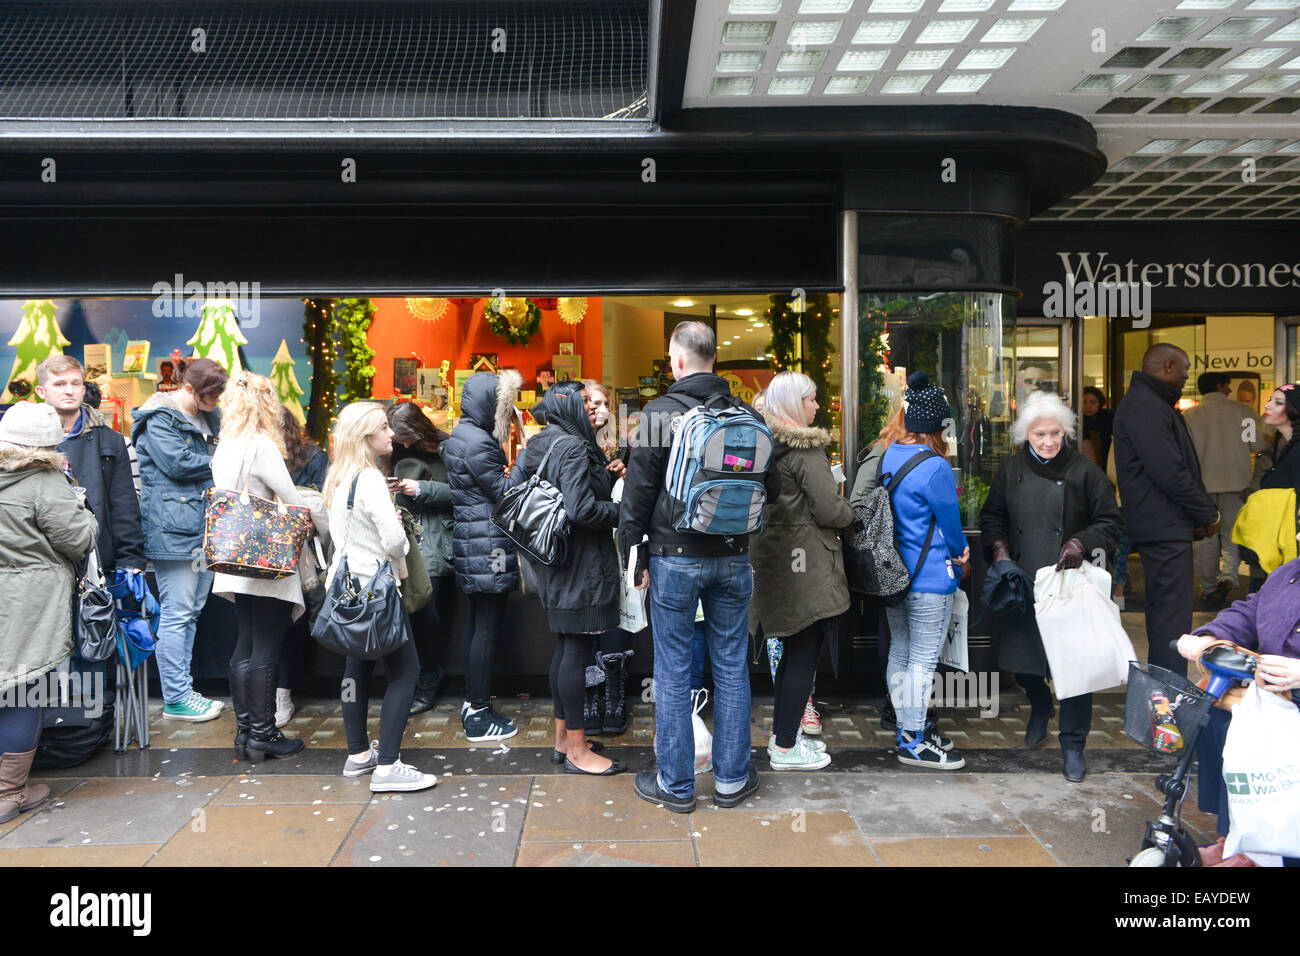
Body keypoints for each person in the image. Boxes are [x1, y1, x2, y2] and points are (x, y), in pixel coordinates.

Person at [619, 320, 780, 812]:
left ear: (679, 360)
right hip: (733, 558)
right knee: (732, 667)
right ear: (714, 359)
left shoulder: (657, 413)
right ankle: (732, 781)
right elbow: (769, 489)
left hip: (675, 558)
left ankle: (677, 786)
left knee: (671, 671)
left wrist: (635, 549)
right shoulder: (748, 415)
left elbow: (638, 493)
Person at [979, 391, 1123, 782]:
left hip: (1069, 583)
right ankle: (1040, 703)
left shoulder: (1084, 471)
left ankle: (1073, 746)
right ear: (1026, 434)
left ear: (1066, 433)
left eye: (1055, 433)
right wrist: (1000, 551)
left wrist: (1082, 542)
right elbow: (992, 516)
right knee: (1024, 662)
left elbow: (1111, 521)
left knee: (1076, 669)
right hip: (1025, 580)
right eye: (1040, 434)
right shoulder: (1010, 470)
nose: (1048, 441)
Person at [210, 372, 329, 762]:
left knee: (243, 641)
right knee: (267, 645)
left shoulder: (225, 446)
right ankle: (265, 734)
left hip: (235, 555)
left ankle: (245, 732)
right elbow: (293, 503)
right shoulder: (261, 446)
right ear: (268, 406)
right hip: (267, 558)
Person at [513, 383, 626, 775]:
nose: (593, 407)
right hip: (580, 564)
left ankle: (563, 740)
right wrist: (619, 511)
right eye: (585, 401)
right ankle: (578, 749)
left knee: (565, 649)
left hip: (554, 562)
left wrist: (606, 479)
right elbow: (580, 510)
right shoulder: (576, 446)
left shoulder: (544, 440)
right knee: (575, 653)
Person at [323, 402, 436, 792]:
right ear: (366, 436)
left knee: (357, 669)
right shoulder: (370, 479)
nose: (392, 434)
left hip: (351, 589)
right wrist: (402, 534)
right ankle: (388, 765)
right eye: (384, 428)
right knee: (407, 671)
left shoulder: (339, 476)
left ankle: (358, 755)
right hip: (378, 590)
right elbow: (393, 541)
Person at [0, 403, 98, 823]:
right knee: (21, 691)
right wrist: (86, 513)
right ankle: (9, 792)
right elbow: (78, 540)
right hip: (28, 601)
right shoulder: (44, 481)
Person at [750, 371, 852, 771]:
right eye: (810, 399)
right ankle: (786, 746)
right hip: (807, 566)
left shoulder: (764, 444)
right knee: (802, 655)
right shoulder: (806, 450)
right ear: (795, 404)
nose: (816, 406)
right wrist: (852, 512)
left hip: (775, 561)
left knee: (792, 651)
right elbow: (829, 509)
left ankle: (783, 741)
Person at [873, 372, 970, 770]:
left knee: (901, 650)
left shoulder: (890, 454)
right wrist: (963, 554)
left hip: (894, 576)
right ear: (938, 427)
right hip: (929, 579)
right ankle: (913, 741)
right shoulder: (936, 468)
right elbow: (952, 529)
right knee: (923, 660)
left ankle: (906, 727)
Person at [1177, 554, 1300, 866]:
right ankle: (1238, 837)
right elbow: (1251, 610)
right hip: (1274, 692)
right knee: (1216, 716)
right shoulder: (1289, 573)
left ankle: (1272, 851)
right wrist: (1209, 635)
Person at [1112, 344, 1220, 678]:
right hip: (1162, 525)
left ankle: (1162, 698)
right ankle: (1166, 701)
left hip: (1162, 523)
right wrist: (1208, 514)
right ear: (1169, 366)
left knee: (1167, 616)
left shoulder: (1149, 403)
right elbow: (1169, 472)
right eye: (1186, 369)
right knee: (1171, 619)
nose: (1188, 376)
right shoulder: (1147, 406)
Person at [132, 357, 229, 721]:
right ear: (187, 388)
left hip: (203, 529)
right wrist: (224, 456)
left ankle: (183, 690)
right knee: (178, 613)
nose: (215, 403)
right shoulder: (159, 418)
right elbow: (178, 463)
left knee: (191, 612)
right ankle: (175, 696)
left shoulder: (208, 417)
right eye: (210, 397)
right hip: (174, 530)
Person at [443, 369, 524, 742]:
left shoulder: (462, 435)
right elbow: (505, 490)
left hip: (474, 543)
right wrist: (524, 456)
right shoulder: (478, 442)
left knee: (477, 625)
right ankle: (478, 712)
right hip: (488, 545)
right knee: (486, 628)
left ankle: (473, 701)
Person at [35, 355, 144, 584]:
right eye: (59, 384)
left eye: (75, 384)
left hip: (98, 560)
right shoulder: (25, 440)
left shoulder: (111, 441)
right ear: (41, 391)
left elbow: (124, 505)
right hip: (40, 562)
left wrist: (130, 560)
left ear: (84, 390)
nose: (69, 391)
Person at [388, 401, 455, 716]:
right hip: (401, 540)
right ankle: (414, 680)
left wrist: (423, 489)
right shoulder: (391, 450)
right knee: (412, 617)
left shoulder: (446, 448)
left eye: (405, 437)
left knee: (427, 616)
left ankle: (428, 680)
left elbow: (464, 493)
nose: (401, 444)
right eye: (396, 438)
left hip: (435, 541)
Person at [272, 406, 330, 726]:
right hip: (272, 552)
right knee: (279, 624)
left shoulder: (313, 456)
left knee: (298, 621)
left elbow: (326, 502)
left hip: (307, 554)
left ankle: (283, 693)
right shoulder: (259, 455)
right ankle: (279, 693)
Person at [1184, 371, 1259, 608]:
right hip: (1237, 484)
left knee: (1206, 539)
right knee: (1231, 536)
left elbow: (1184, 453)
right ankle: (1228, 576)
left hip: (1202, 487)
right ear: (1220, 385)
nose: (1229, 390)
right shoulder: (1244, 413)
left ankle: (1208, 588)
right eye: (1227, 385)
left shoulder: (1189, 417)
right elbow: (1257, 444)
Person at [1259, 383, 1300, 493]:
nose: (1267, 405)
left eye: (1278, 402)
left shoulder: (1296, 450)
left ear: (1294, 411)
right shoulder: (1286, 448)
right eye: (1270, 400)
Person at [1081, 386, 1114, 467]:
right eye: (1084, 402)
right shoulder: (1077, 420)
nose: (1088, 406)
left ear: (1100, 403)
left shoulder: (1109, 419)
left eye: (1093, 402)